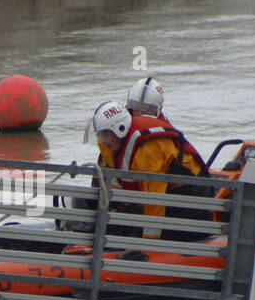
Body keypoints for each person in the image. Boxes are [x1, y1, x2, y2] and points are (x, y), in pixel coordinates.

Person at [86, 100, 212, 241]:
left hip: (190, 198)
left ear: (120, 129)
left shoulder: (149, 150)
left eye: (105, 135)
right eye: (100, 135)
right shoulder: (109, 145)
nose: (102, 140)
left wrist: (148, 242)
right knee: (88, 204)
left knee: (137, 233)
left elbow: (155, 200)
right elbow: (104, 180)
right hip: (154, 197)